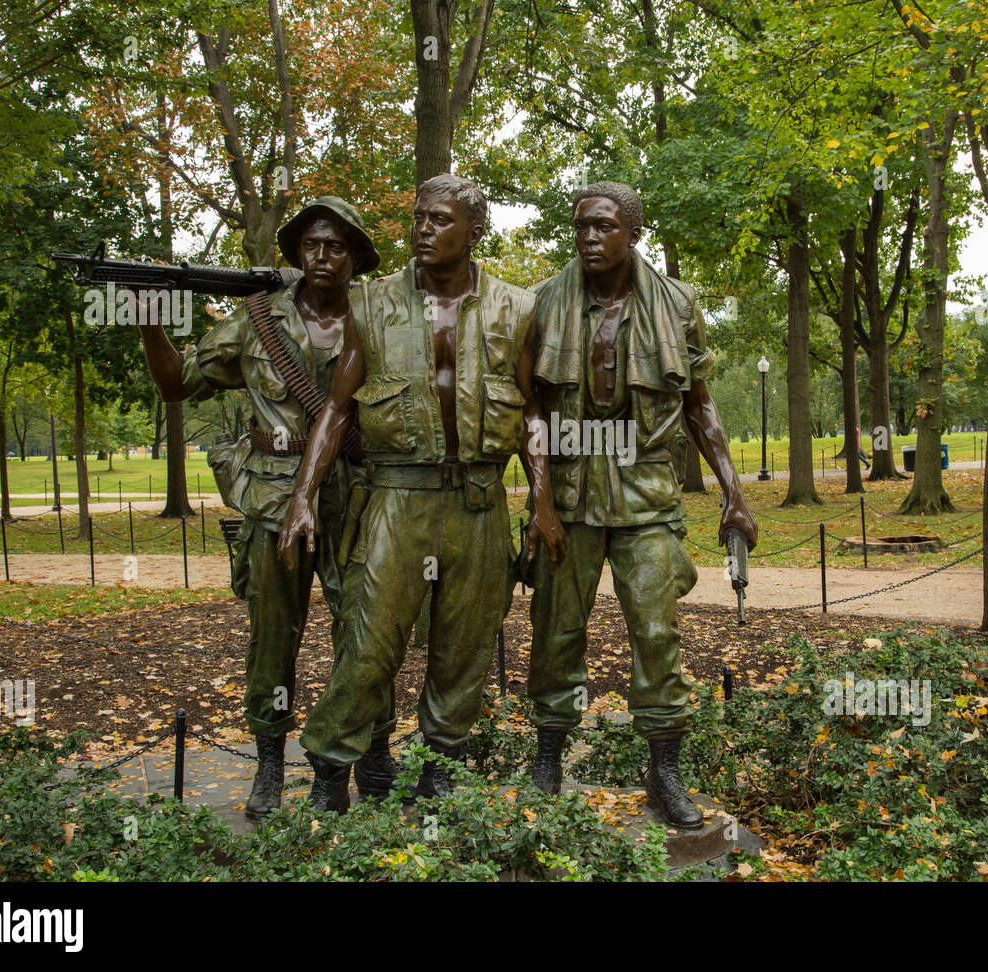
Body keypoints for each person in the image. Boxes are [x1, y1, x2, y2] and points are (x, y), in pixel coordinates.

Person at [278, 174, 566, 811]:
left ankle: (442, 765)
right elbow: (338, 407)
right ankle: (330, 772)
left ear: (473, 231)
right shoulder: (373, 303)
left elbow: (532, 412)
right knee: (369, 642)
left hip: (479, 500)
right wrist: (304, 493)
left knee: (465, 645)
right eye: (418, 218)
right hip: (397, 500)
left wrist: (541, 503)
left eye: (439, 220)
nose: (422, 230)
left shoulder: (516, 308)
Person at [134, 197, 398, 820]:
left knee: (366, 632)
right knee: (273, 636)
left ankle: (372, 751)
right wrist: (149, 320)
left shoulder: (383, 318)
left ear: (357, 256)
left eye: (335, 245)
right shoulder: (257, 320)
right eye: (310, 245)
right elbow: (176, 383)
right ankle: (271, 762)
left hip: (359, 495)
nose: (321, 255)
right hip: (275, 499)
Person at [525, 181, 757, 829]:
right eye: (581, 228)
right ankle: (546, 758)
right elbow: (531, 410)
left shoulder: (677, 304)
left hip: (647, 492)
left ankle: (664, 769)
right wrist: (540, 501)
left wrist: (733, 491)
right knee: (557, 630)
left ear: (632, 232)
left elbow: (699, 402)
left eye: (604, 227)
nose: (590, 239)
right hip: (569, 496)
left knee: (657, 633)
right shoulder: (544, 301)